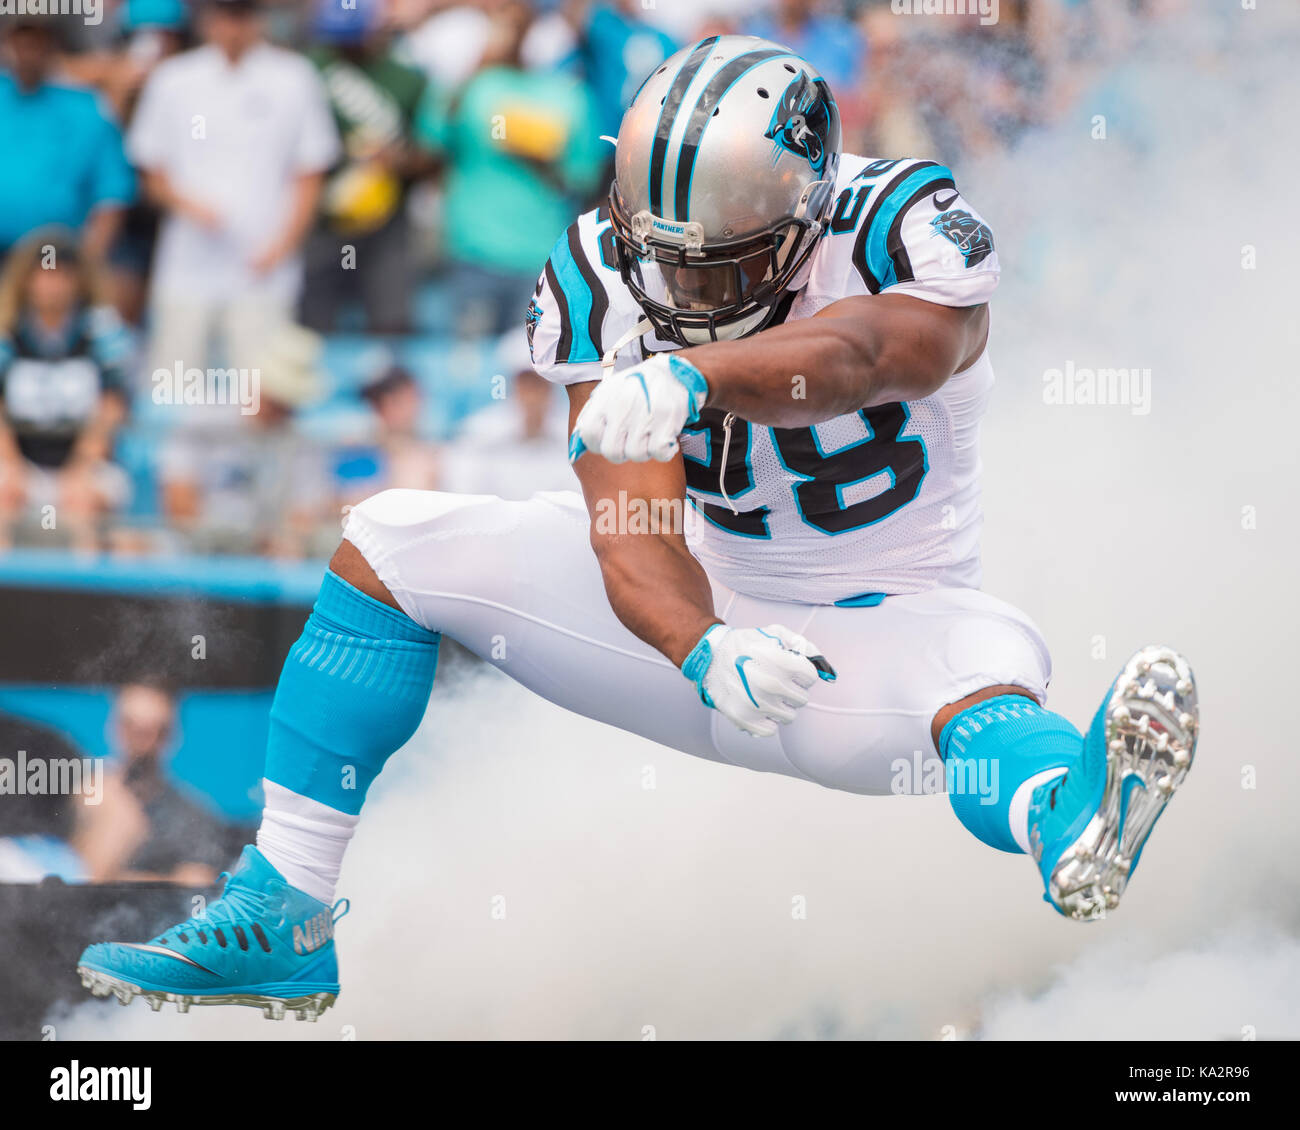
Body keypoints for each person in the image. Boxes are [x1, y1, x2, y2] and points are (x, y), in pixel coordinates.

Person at [77, 36, 1200, 1020]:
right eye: (659, 247)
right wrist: (699, 645)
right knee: (394, 536)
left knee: (975, 675)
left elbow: (878, 356)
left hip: (880, 615)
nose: (677, 278)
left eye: (718, 255)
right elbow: (629, 525)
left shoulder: (899, 221)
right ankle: (284, 908)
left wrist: (691, 375)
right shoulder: (597, 268)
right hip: (699, 614)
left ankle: (1070, 816)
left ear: (808, 209)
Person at [127, 0, 340, 377]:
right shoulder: (174, 79)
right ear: (208, 19)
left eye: (243, 14)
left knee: (260, 391)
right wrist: (191, 207)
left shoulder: (294, 77)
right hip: (187, 266)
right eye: (226, 14)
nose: (234, 26)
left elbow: (310, 172)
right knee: (177, 386)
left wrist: (280, 247)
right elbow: (150, 170)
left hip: (264, 270)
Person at [300, 0, 430, 334]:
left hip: (386, 221)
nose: (346, 49)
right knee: (313, 323)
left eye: (353, 39)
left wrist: (396, 158)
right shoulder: (309, 71)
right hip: (323, 219)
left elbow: (431, 154)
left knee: (391, 323)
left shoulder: (407, 78)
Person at [0, 231, 134, 550]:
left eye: (61, 276)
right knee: (4, 492)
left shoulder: (101, 330)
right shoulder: (8, 330)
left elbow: (112, 405)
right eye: (44, 276)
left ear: (78, 281)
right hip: (22, 461)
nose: (52, 286)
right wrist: (12, 465)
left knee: (81, 499)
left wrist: (81, 466)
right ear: (26, 280)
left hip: (85, 461)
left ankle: (79, 592)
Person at [0, 18, 136, 261]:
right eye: (19, 43)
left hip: (54, 259)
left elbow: (112, 192)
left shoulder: (85, 108)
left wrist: (87, 263)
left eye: (35, 44)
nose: (26, 53)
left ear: (52, 46)